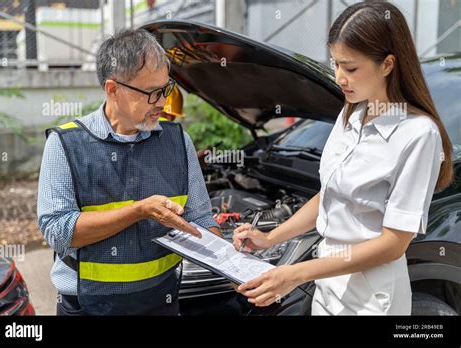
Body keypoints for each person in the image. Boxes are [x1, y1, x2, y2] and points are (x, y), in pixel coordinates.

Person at [232, 2, 453, 315]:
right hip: (327, 282)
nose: (338, 77)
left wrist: (296, 274)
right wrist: (270, 238)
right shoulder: (351, 115)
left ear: (388, 64)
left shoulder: (418, 135)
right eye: (335, 64)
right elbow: (330, 195)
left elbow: (394, 243)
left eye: (349, 68)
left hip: (372, 298)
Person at [37, 28, 221, 315]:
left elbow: (201, 218)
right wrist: (139, 211)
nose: (162, 102)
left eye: (165, 89)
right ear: (113, 89)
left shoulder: (177, 141)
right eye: (151, 93)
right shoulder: (65, 144)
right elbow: (59, 233)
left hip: (162, 303)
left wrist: (232, 259)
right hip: (87, 308)